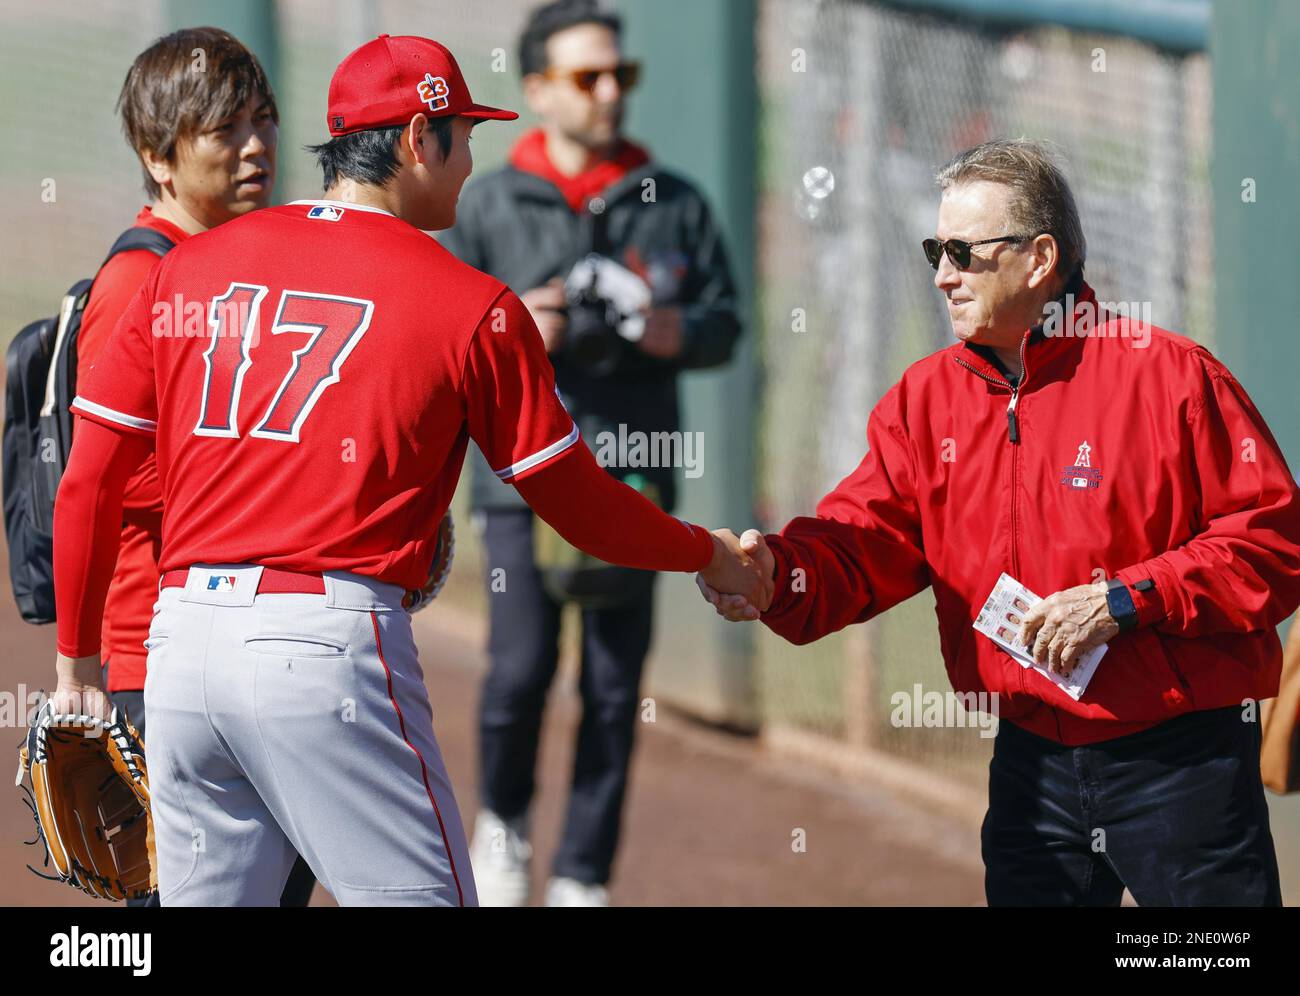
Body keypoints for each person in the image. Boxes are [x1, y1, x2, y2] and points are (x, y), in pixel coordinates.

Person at [50, 33, 767, 907]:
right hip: (325, 650)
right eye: (462, 135)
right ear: (419, 140)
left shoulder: (187, 269)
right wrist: (706, 552)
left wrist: (74, 671)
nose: (471, 162)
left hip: (181, 649)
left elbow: (86, 480)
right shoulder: (472, 303)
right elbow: (580, 508)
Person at [700, 139, 1300, 907]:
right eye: (934, 250)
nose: (943, 274)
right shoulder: (924, 402)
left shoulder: (1171, 376)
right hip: (1031, 764)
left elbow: (1273, 543)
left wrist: (1129, 598)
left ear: (1040, 258)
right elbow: (865, 542)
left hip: (1179, 765)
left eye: (963, 251)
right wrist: (777, 573)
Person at [440, 0, 741, 907]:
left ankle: (582, 874)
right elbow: (440, 335)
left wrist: (658, 328)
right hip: (515, 480)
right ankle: (503, 827)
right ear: (537, 91)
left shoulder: (675, 199)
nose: (610, 92)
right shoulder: (488, 200)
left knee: (615, 688)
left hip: (633, 471)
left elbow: (725, 326)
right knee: (519, 671)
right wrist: (512, 329)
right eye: (586, 76)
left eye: (622, 75)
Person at [77, 25, 315, 908]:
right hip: (160, 649)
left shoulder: (220, 265)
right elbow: (112, 474)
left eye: (265, 119)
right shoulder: (142, 280)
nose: (257, 147)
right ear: (158, 156)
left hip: (230, 639)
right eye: (225, 130)